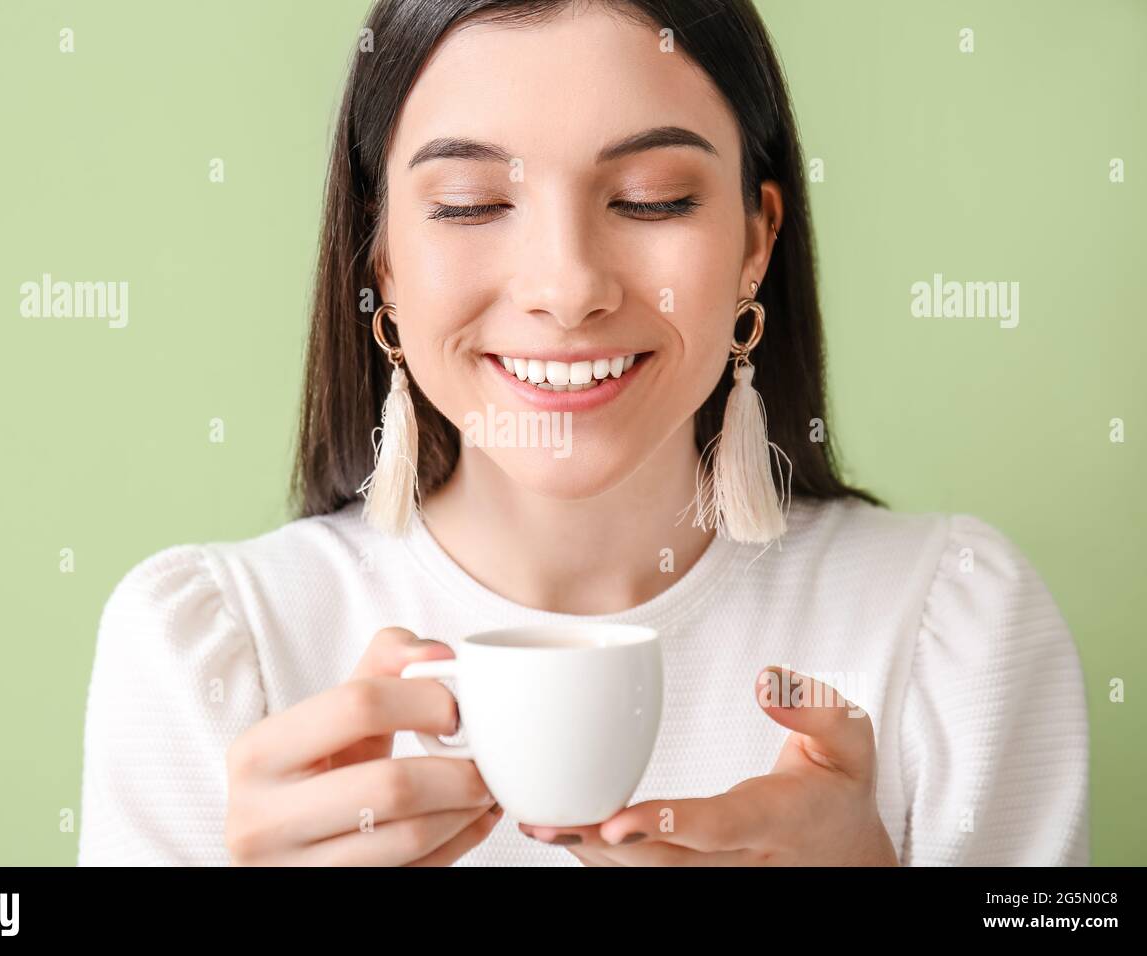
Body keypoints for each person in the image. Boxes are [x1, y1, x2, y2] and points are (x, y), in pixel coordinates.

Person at [77, 0, 1088, 866]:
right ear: (380, 261)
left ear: (754, 241)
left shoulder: (955, 624)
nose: (567, 290)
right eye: (472, 204)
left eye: (652, 199)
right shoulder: (207, 647)